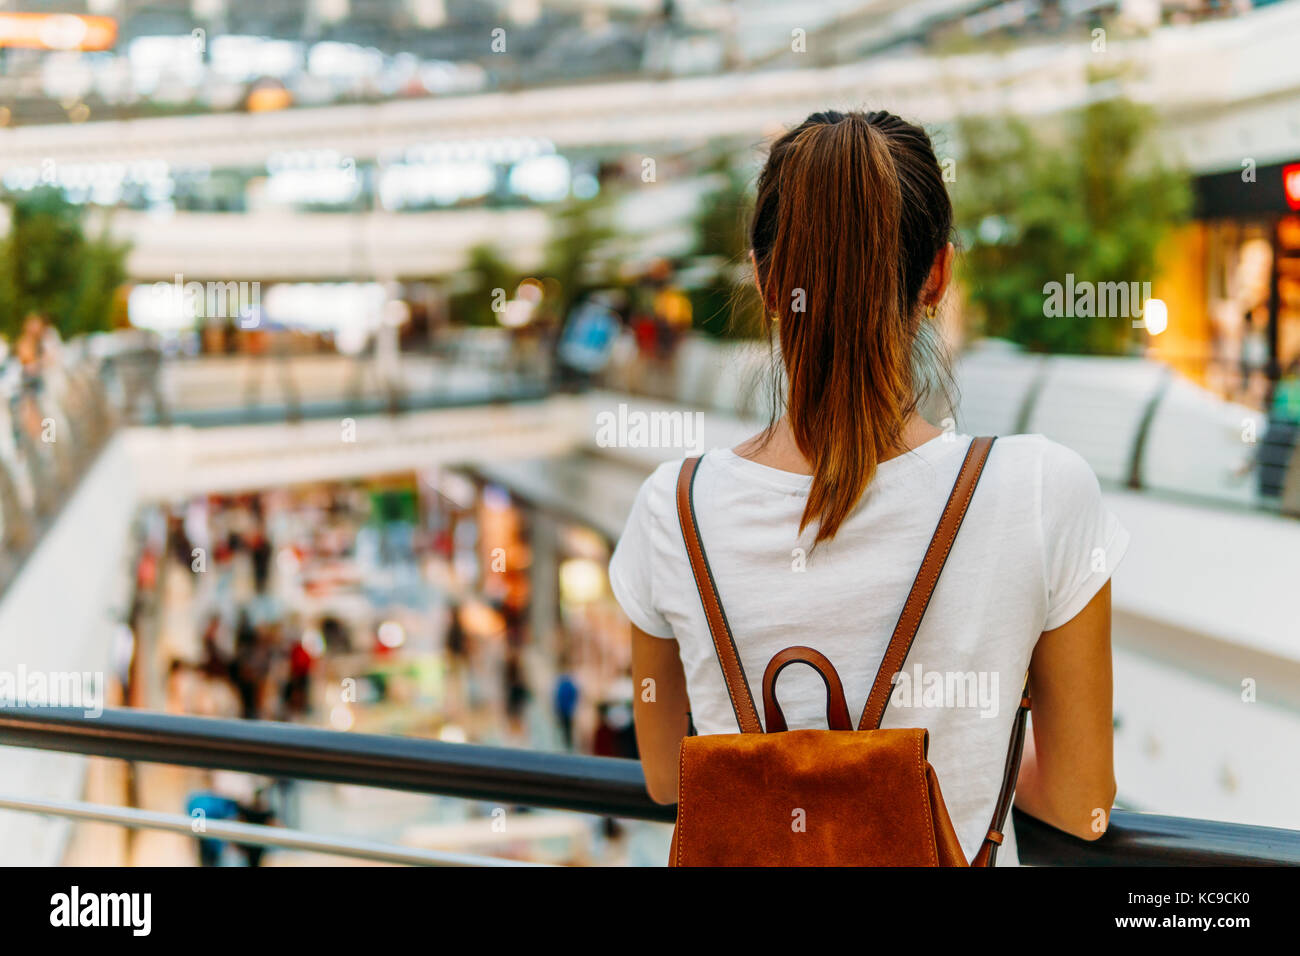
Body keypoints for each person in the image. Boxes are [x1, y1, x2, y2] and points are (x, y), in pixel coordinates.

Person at [608, 110, 1128, 866]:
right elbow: (1084, 806)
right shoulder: (1041, 488)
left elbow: (664, 778)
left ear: (762, 281)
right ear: (939, 277)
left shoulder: (673, 506)